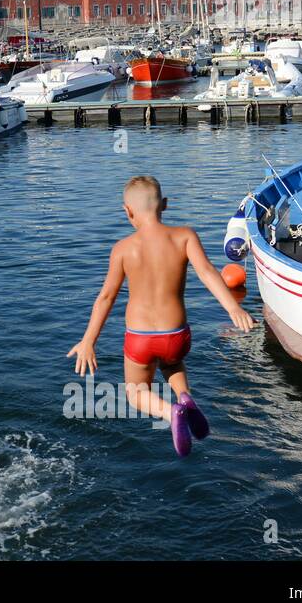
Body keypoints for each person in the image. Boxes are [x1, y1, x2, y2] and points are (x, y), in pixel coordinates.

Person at [67, 176, 254, 456]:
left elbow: (106, 297)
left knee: (136, 392)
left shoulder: (122, 249)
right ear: (164, 205)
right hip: (176, 335)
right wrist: (233, 308)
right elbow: (207, 273)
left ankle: (171, 411)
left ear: (127, 211)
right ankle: (184, 396)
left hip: (140, 339)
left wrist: (88, 341)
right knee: (171, 362)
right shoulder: (185, 236)